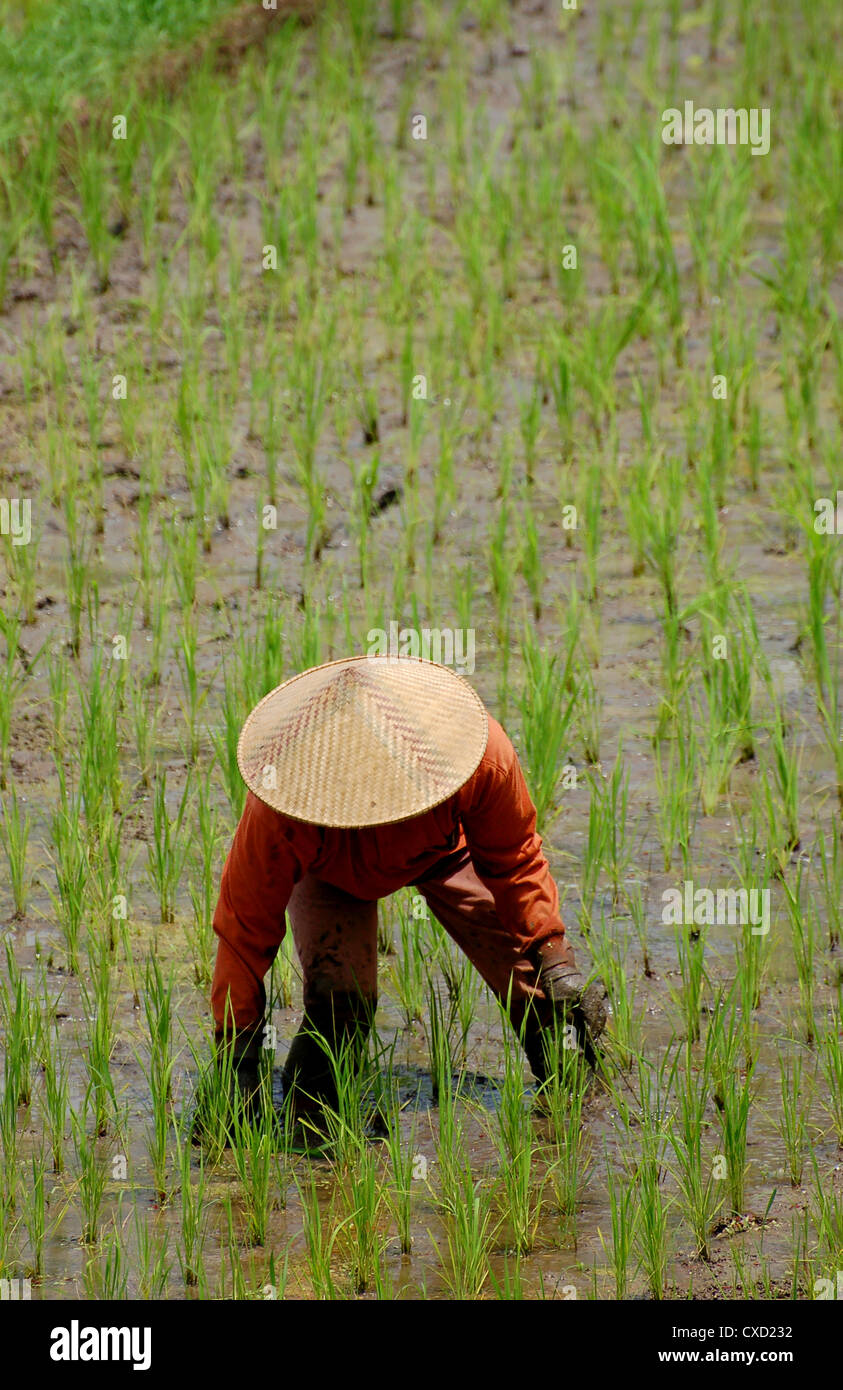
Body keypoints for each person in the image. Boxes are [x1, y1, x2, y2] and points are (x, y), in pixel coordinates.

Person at [208, 654, 608, 1142]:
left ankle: (572, 1095)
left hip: (443, 851)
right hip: (332, 872)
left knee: (536, 987)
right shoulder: (284, 803)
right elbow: (243, 933)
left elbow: (515, 860)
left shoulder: (478, 757)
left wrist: (556, 961)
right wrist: (238, 1055)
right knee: (340, 1002)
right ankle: (312, 1118)